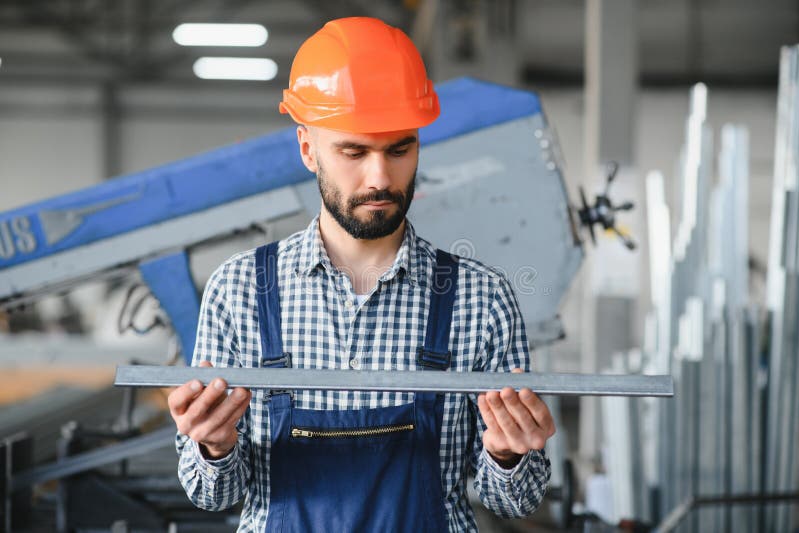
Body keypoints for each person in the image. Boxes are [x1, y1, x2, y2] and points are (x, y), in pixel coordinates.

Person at [167, 16, 554, 532]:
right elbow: (211, 494)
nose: (380, 178)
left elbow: (515, 502)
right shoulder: (238, 291)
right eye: (353, 151)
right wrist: (213, 449)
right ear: (308, 149)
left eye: (400, 149)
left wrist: (508, 459)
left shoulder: (480, 299)